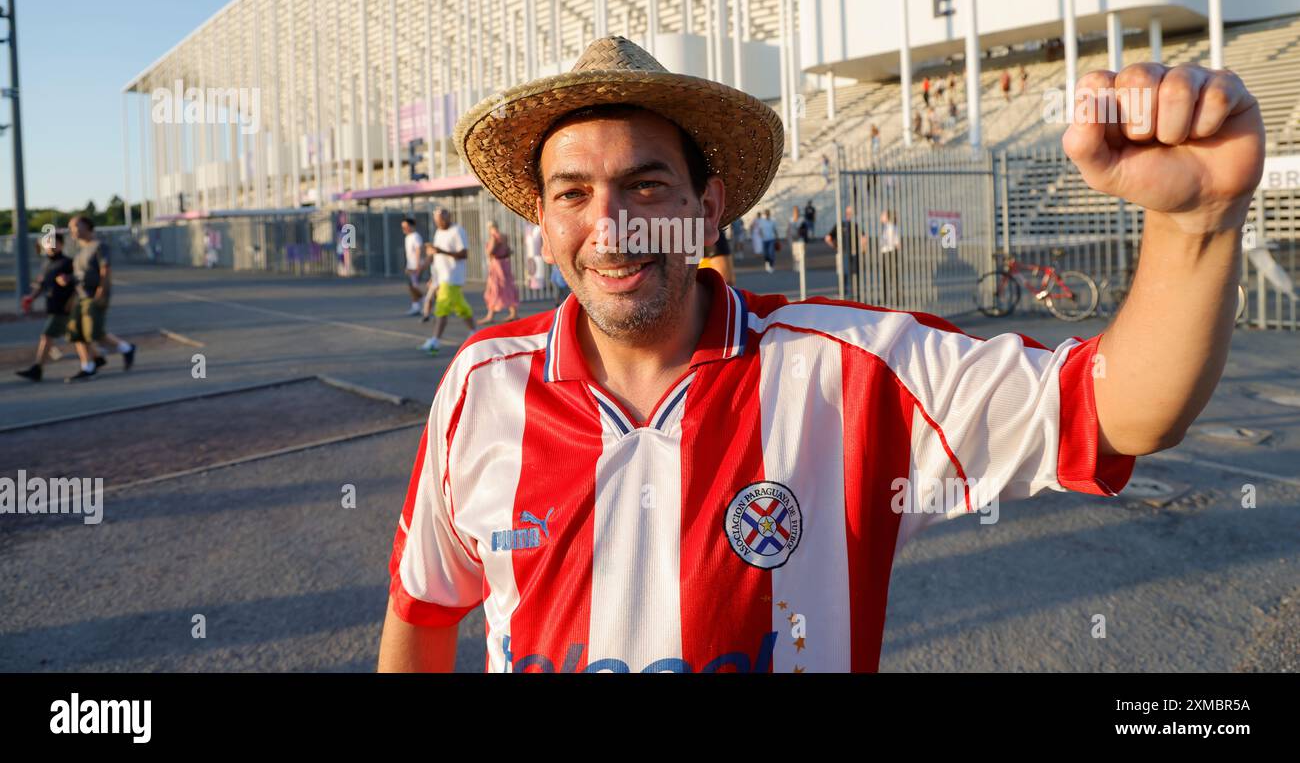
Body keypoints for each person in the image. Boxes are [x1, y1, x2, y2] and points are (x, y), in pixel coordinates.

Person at [378, 33, 1262, 673]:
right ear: (543, 221)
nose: (610, 225)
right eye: (574, 191)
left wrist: (1195, 223)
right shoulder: (479, 387)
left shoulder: (845, 371)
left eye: (647, 183)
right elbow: (422, 613)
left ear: (705, 205)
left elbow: (1118, 409)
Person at [64, 215, 136, 383]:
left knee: (93, 333)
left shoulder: (99, 246)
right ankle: (88, 367)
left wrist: (101, 292)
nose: (72, 230)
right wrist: (69, 282)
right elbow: (79, 276)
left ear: (87, 227)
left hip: (93, 296)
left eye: (75, 226)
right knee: (77, 333)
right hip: (80, 297)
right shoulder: (79, 251)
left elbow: (105, 270)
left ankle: (126, 348)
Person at [15, 233, 77, 382]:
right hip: (53, 305)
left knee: (47, 336)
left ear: (61, 244)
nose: (50, 247)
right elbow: (42, 285)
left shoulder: (67, 262)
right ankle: (106, 354)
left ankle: (37, 368)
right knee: (78, 337)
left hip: (63, 306)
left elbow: (77, 284)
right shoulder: (47, 263)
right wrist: (31, 297)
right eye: (48, 243)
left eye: (54, 243)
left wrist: (72, 301)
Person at [419, 209, 476, 355]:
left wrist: (441, 251)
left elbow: (464, 254)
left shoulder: (457, 231)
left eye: (441, 221)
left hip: (452, 277)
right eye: (437, 222)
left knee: (441, 308)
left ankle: (435, 341)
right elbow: (435, 254)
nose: (439, 224)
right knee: (461, 307)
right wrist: (425, 268)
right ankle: (474, 332)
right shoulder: (438, 232)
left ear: (448, 217)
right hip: (442, 277)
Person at [479, 220, 519, 325]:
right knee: (507, 286)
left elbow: (490, 252)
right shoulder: (504, 236)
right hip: (504, 264)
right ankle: (513, 313)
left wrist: (490, 250)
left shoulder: (494, 237)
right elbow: (508, 251)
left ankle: (490, 315)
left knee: (494, 288)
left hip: (497, 265)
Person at [825, 203, 866, 299]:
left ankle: (844, 294)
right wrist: (863, 250)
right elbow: (864, 239)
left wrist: (836, 247)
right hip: (850, 252)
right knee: (851, 274)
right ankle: (852, 294)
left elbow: (828, 238)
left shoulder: (847, 224)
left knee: (846, 274)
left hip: (848, 252)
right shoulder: (851, 224)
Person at [401, 217, 424, 316]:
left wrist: (418, 265)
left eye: (406, 227)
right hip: (410, 265)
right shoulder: (408, 237)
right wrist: (407, 266)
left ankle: (426, 300)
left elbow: (419, 250)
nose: (404, 229)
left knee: (414, 286)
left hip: (416, 265)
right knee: (411, 286)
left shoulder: (416, 236)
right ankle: (416, 306)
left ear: (411, 226)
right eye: (403, 227)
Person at [879, 208, 901, 308]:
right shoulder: (886, 227)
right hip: (887, 252)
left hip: (889, 252)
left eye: (882, 215)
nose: (881, 216)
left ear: (887, 217)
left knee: (891, 276)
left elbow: (897, 242)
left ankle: (892, 298)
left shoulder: (891, 227)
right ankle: (888, 297)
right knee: (890, 275)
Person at [787, 206, 809, 276]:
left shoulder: (802, 219)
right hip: (792, 238)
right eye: (795, 211)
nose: (796, 213)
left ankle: (801, 266)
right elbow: (788, 229)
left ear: (799, 212)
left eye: (797, 211)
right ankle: (796, 266)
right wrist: (788, 236)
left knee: (801, 252)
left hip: (800, 238)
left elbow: (805, 229)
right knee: (794, 253)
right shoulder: (791, 219)